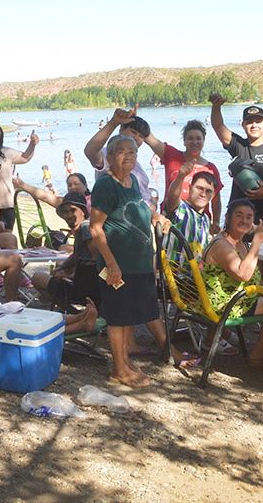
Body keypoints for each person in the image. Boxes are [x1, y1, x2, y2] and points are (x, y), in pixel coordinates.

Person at [89, 134, 163, 388]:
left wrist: (154, 215)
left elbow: (136, 206)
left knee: (131, 315)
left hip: (139, 262)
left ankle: (125, 362)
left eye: (132, 151)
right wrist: (111, 263)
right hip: (117, 264)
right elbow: (96, 228)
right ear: (109, 158)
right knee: (118, 316)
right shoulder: (106, 185)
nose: (128, 155)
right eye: (121, 151)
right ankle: (119, 369)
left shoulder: (131, 181)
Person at [197, 200, 263, 373]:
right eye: (239, 215)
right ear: (228, 218)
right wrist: (257, 243)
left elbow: (253, 280)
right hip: (225, 305)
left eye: (249, 217)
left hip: (237, 298)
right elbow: (243, 275)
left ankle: (257, 354)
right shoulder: (222, 245)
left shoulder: (239, 243)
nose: (244, 220)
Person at [210, 94, 263, 289]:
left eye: (258, 121)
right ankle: (244, 303)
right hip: (238, 215)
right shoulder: (239, 146)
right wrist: (216, 107)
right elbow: (219, 129)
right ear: (243, 125)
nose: (254, 125)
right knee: (237, 256)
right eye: (249, 122)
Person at [155, 120, 224, 232]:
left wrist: (215, 222)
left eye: (198, 138)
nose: (194, 142)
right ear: (184, 141)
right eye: (190, 138)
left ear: (203, 141)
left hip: (200, 224)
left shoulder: (211, 168)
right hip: (172, 221)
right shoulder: (172, 156)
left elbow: (216, 200)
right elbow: (149, 138)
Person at [83, 107, 154, 206]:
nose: (137, 138)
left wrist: (153, 203)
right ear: (121, 130)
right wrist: (113, 123)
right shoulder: (109, 155)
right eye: (133, 132)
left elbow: (145, 195)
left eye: (141, 136)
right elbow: (90, 151)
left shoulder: (137, 165)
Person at [161, 163, 217, 261]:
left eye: (208, 191)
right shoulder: (181, 208)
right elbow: (172, 197)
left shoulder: (206, 220)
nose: (203, 194)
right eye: (199, 188)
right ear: (190, 188)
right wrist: (180, 177)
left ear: (212, 195)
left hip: (195, 274)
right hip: (172, 273)